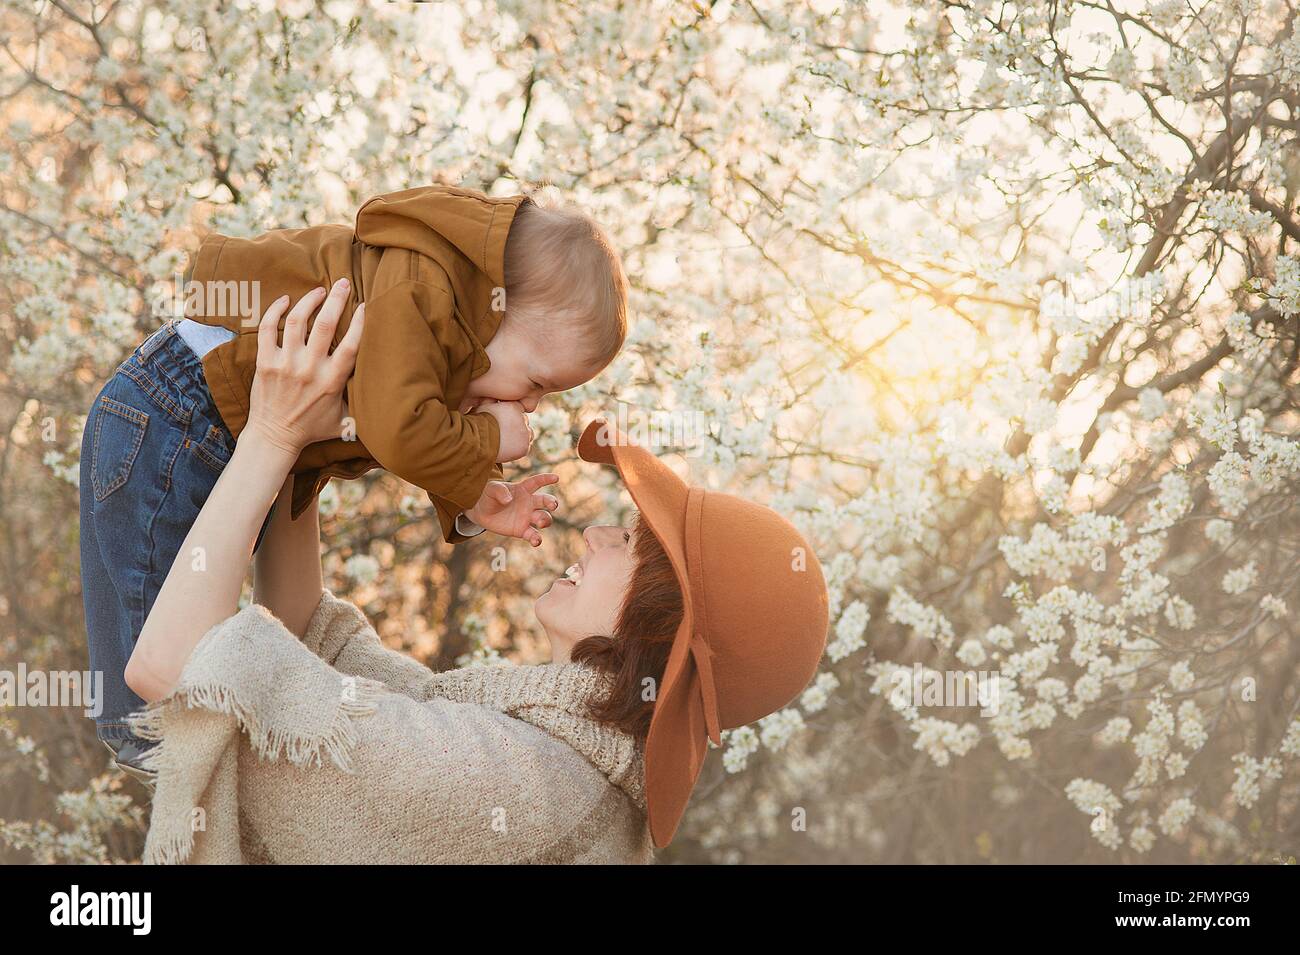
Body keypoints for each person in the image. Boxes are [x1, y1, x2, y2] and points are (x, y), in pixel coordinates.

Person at [123, 289, 829, 863]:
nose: (593, 533)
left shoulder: (524, 789)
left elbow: (179, 667)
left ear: (661, 617)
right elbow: (315, 645)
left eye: (633, 542)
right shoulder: (561, 765)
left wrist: (273, 435)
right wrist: (324, 438)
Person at [81, 183, 628, 772]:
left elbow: (414, 427)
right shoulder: (423, 290)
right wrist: (490, 440)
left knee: (177, 658)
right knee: (153, 696)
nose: (533, 404)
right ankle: (145, 742)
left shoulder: (452, 326)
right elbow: (398, 428)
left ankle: (158, 750)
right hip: (178, 410)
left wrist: (476, 500)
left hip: (217, 424)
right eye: (539, 382)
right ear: (498, 307)